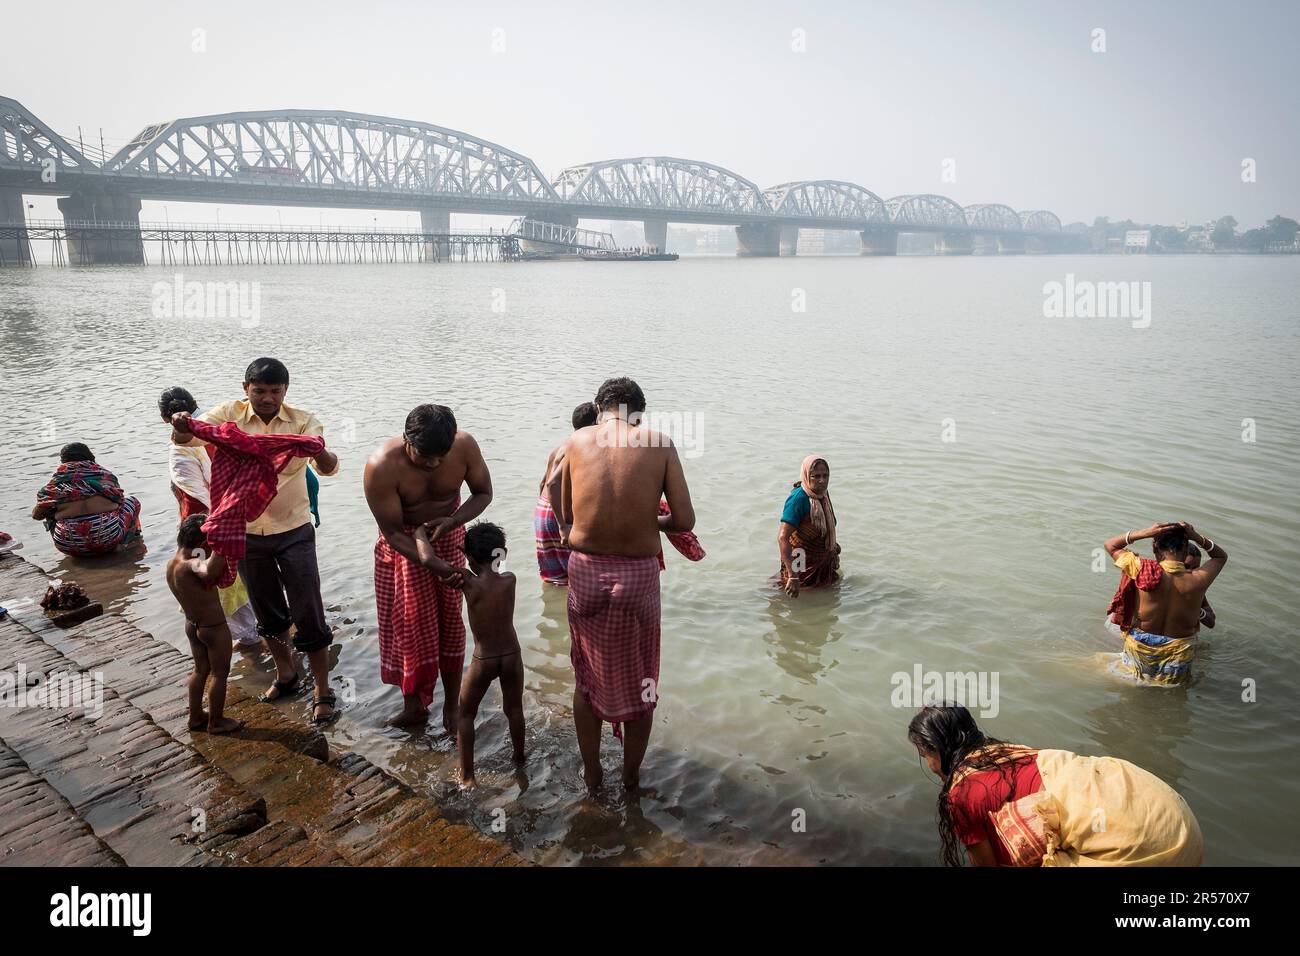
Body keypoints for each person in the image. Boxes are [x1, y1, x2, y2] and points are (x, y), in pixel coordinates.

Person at [558, 376, 695, 794]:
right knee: (642, 681)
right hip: (637, 576)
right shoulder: (659, 443)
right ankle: (631, 779)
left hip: (586, 571)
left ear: (601, 408)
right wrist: (650, 520)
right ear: (638, 413)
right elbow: (685, 521)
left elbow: (566, 519)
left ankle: (592, 772)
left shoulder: (576, 442)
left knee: (586, 679)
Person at [185, 358, 340, 723]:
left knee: (309, 610)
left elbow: (329, 467)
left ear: (286, 391)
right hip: (248, 531)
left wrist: (318, 449)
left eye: (275, 391)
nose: (267, 398)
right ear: (245, 389)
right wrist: (179, 425)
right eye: (259, 391)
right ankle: (285, 675)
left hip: (294, 530)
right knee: (267, 612)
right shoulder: (226, 416)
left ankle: (323, 690)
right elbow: (190, 436)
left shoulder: (303, 422)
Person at [907, 703, 1203, 867]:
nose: (931, 767)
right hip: (1172, 817)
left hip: (1140, 850)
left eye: (925, 755)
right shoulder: (1013, 752)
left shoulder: (961, 794)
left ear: (937, 749)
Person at [363, 404, 493, 729]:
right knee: (409, 625)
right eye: (425, 456)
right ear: (407, 440)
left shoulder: (465, 446)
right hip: (403, 544)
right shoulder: (382, 465)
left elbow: (483, 493)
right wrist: (429, 561)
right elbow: (391, 532)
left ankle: (452, 707)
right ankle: (415, 707)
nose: (434, 463)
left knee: (450, 625)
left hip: (448, 533)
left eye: (441, 456)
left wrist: (452, 521)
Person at [159, 386, 260, 648]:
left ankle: (247, 638)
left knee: (216, 581)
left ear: (163, 418)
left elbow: (193, 494)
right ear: (196, 402)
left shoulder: (180, 446)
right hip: (247, 511)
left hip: (206, 523)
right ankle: (259, 631)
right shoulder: (221, 423)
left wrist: (218, 521)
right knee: (245, 575)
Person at [1102, 521, 1227, 685]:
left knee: (1132, 683)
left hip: (1140, 646)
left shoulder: (1141, 569)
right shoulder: (1198, 579)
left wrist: (1145, 532)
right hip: (1178, 652)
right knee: (1173, 690)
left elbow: (1110, 545)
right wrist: (1196, 537)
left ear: (1155, 547)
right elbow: (1220, 556)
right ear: (1185, 550)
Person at [454, 522, 525, 788]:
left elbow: (428, 560)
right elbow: (498, 568)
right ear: (502, 554)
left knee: (465, 714)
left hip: (484, 659)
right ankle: (519, 758)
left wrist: (419, 535)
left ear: (468, 558)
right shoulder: (510, 580)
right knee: (515, 709)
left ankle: (468, 777)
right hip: (512, 655)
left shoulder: (468, 583)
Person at [165, 515, 244, 735]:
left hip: (192, 625)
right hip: (213, 628)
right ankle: (216, 722)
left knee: (200, 670)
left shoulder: (172, 563)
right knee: (220, 673)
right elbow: (209, 571)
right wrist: (221, 547)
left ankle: (196, 716)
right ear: (202, 546)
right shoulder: (192, 564)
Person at [32, 443, 142, 556]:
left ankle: (76, 552)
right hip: (109, 537)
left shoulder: (53, 486)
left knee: (48, 507)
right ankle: (126, 544)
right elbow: (119, 501)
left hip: (68, 544)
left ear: (63, 461)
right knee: (132, 502)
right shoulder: (106, 476)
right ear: (90, 457)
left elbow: (36, 516)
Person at [536, 401, 598, 586]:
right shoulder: (579, 448)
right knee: (578, 581)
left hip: (543, 510)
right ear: (595, 425)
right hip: (560, 513)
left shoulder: (561, 446)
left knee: (555, 579)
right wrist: (562, 525)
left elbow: (543, 483)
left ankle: (554, 612)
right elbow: (553, 482)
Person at [1107, 541, 1215, 632]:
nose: (1190, 571)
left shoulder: (1193, 587)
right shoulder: (1148, 577)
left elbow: (1211, 622)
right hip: (1123, 628)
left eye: (1195, 568)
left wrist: (1197, 610)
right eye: (1186, 566)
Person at [776, 455, 840, 596]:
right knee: (798, 599)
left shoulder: (823, 494)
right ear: (806, 476)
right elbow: (782, 538)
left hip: (822, 560)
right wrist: (793, 576)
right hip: (800, 564)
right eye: (816, 476)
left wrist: (834, 546)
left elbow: (829, 525)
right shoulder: (798, 499)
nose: (822, 481)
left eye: (825, 476)